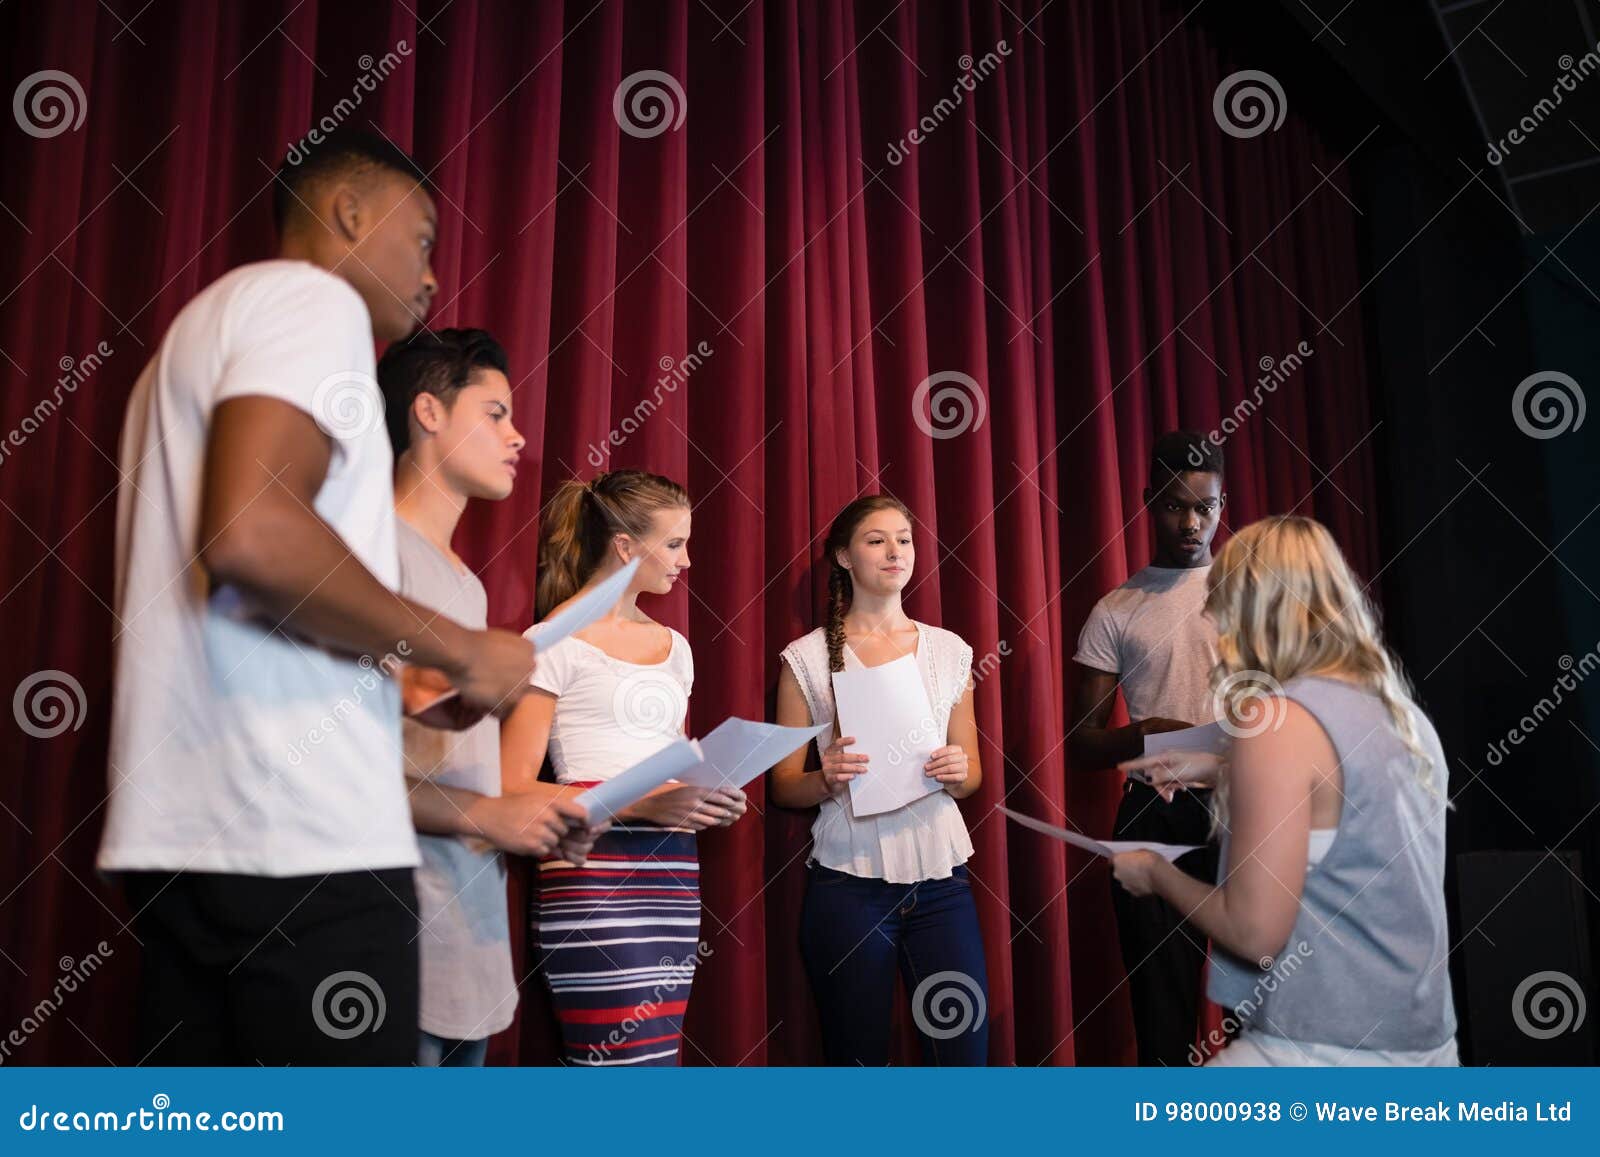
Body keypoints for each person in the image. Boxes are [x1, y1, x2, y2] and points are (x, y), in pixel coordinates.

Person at [100, 129, 537, 1065]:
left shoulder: (198, 334)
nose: (431, 276)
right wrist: (460, 647)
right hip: (304, 836)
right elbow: (251, 536)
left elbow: (248, 587)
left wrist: (404, 681)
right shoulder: (311, 300)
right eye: (422, 239)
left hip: (190, 833)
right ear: (347, 212)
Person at [1112, 516, 1459, 1066]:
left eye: (1222, 602)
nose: (1212, 619)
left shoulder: (1278, 724)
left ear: (1255, 610)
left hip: (1321, 1052)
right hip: (1424, 1047)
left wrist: (1154, 872)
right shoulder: (1401, 714)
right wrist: (1216, 767)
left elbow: (1252, 932)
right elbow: (1339, 798)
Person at [378, 327, 595, 1066]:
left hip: (466, 917)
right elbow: (340, 765)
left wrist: (530, 817)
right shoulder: (367, 558)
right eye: (495, 413)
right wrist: (486, 812)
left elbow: (449, 755)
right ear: (428, 412)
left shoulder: (465, 585)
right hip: (389, 922)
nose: (518, 436)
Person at [500, 469, 746, 1066]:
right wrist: (643, 803)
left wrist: (707, 796)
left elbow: (674, 762)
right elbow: (511, 789)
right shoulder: (551, 641)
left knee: (658, 1061)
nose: (686, 561)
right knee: (615, 1065)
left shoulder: (677, 647)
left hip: (672, 873)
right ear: (625, 546)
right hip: (592, 872)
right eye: (675, 544)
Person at [771, 494, 989, 1065]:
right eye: (877, 540)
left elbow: (972, 774)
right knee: (858, 1058)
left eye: (904, 539)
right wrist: (826, 778)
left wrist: (959, 772)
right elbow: (783, 784)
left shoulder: (949, 650)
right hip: (849, 884)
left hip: (941, 881)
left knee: (964, 1055)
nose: (896, 551)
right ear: (844, 557)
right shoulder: (806, 657)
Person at [1068, 430, 1225, 1066]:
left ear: (1222, 505)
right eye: (1174, 506)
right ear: (1148, 501)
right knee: (1162, 1020)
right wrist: (1144, 733)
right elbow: (1082, 745)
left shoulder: (1257, 594)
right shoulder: (1117, 609)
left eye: (1205, 508)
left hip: (1249, 812)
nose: (1190, 523)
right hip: (1154, 816)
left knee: (1269, 1012)